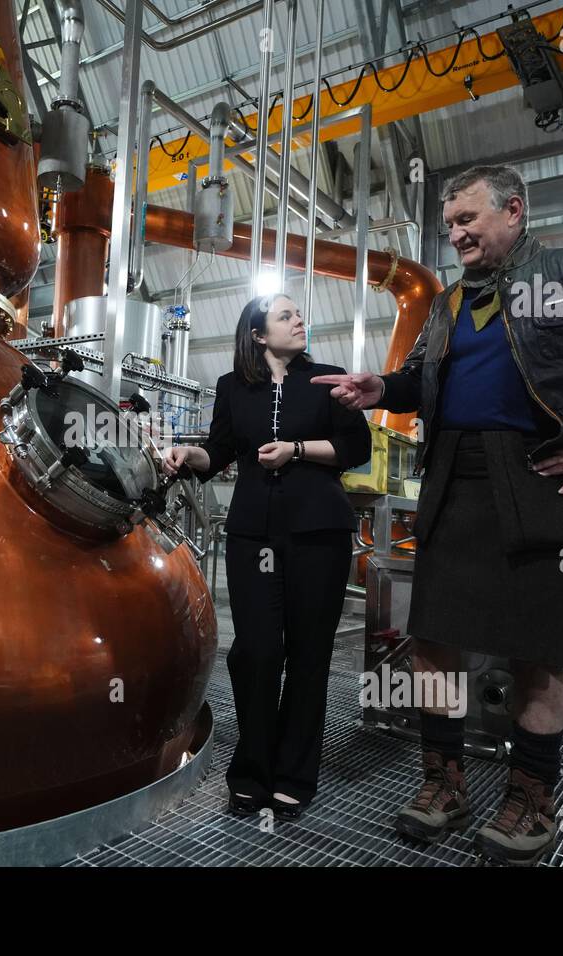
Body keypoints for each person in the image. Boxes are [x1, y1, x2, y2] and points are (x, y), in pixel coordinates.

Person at [314, 165, 563, 864]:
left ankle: (532, 800)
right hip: (451, 480)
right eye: (449, 225)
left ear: (514, 211)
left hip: (531, 477)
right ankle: (444, 785)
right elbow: (432, 379)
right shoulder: (450, 301)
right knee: (432, 644)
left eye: (467, 221)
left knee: (537, 653)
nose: (455, 234)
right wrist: (383, 388)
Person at [164, 293, 371, 820]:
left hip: (319, 531)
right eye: (285, 316)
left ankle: (296, 774)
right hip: (253, 534)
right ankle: (251, 772)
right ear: (258, 335)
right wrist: (191, 455)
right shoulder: (234, 387)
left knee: (309, 657)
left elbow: (355, 449)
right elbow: (220, 451)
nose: (300, 319)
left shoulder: (328, 378)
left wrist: (298, 450)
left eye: (299, 313)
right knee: (256, 653)